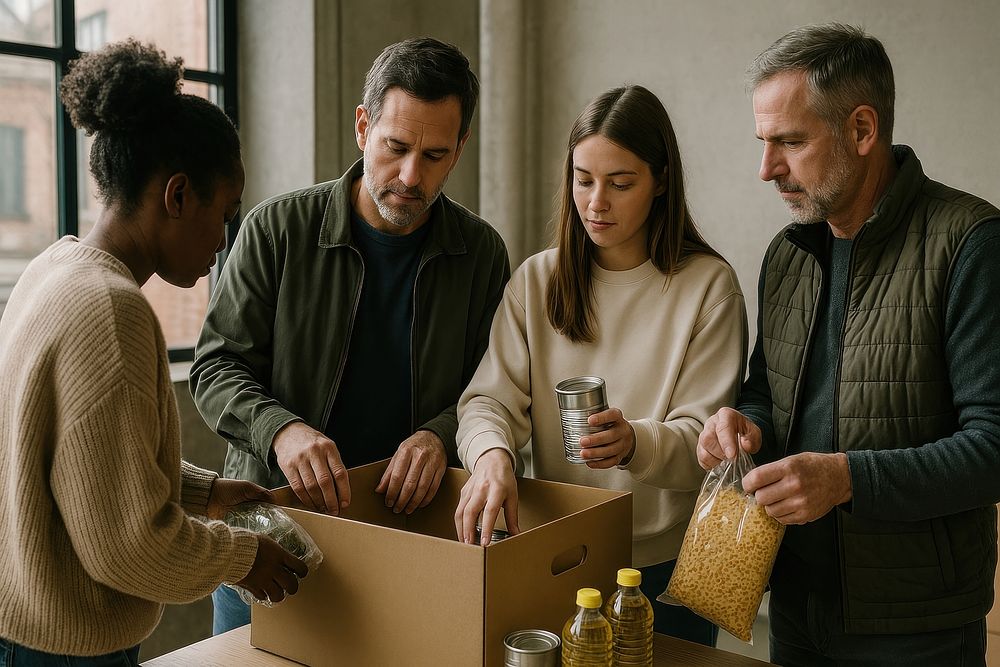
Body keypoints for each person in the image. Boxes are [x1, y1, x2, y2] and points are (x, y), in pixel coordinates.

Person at [697, 23, 1000, 666]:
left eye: (790, 142)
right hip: (796, 607)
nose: (765, 169)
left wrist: (847, 479)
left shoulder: (971, 243)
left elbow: (994, 447)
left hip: (918, 625)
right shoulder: (788, 252)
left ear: (863, 131)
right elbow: (765, 392)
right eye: (763, 142)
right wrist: (741, 427)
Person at [0, 40, 307, 666]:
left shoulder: (53, 268)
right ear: (176, 196)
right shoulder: (113, 310)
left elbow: (81, 463)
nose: (223, 242)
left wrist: (205, 493)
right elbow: (127, 547)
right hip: (59, 649)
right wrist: (244, 558)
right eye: (224, 214)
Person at [190, 36, 510, 633]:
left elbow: (493, 387)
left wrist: (440, 436)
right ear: (363, 126)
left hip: (412, 541)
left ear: (461, 148)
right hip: (272, 539)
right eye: (396, 147)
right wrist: (280, 430)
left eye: (436, 155)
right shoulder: (276, 229)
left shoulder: (482, 252)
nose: (411, 177)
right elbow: (214, 368)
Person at [454, 85, 747, 646]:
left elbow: (707, 448)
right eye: (583, 179)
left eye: (620, 183)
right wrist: (491, 455)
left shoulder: (709, 287)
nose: (596, 203)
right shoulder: (536, 280)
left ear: (661, 182)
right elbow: (488, 401)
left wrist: (634, 443)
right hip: (555, 551)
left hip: (660, 570)